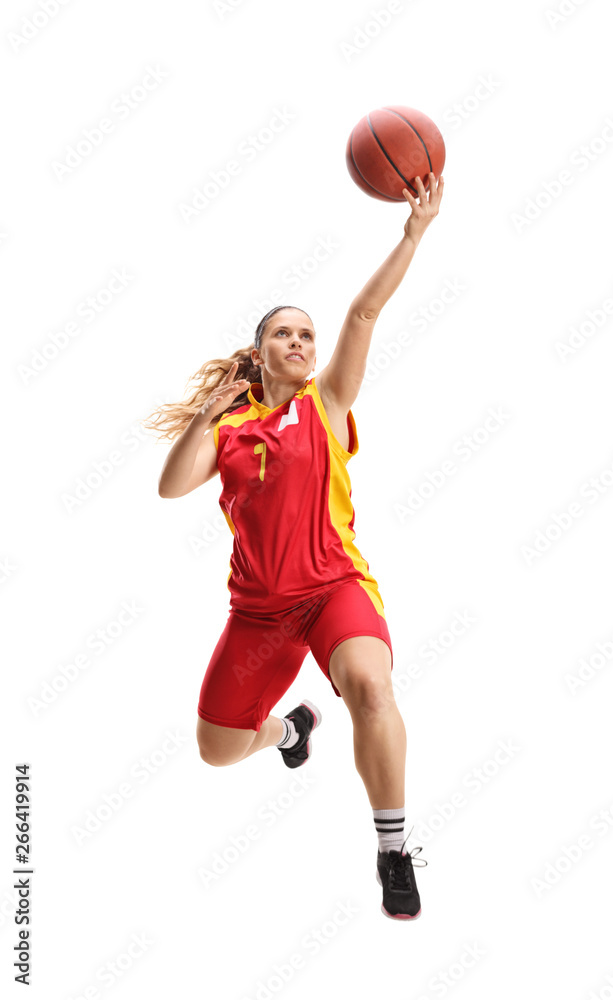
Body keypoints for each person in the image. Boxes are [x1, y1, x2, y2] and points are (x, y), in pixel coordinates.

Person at [144, 172, 444, 919]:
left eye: (306, 334)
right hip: (259, 615)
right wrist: (203, 416)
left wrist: (412, 232)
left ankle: (392, 849)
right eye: (284, 332)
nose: (301, 341)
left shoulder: (328, 402)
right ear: (260, 352)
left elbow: (364, 310)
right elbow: (170, 487)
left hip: (333, 591)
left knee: (372, 688)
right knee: (217, 749)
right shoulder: (231, 432)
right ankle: (290, 729)